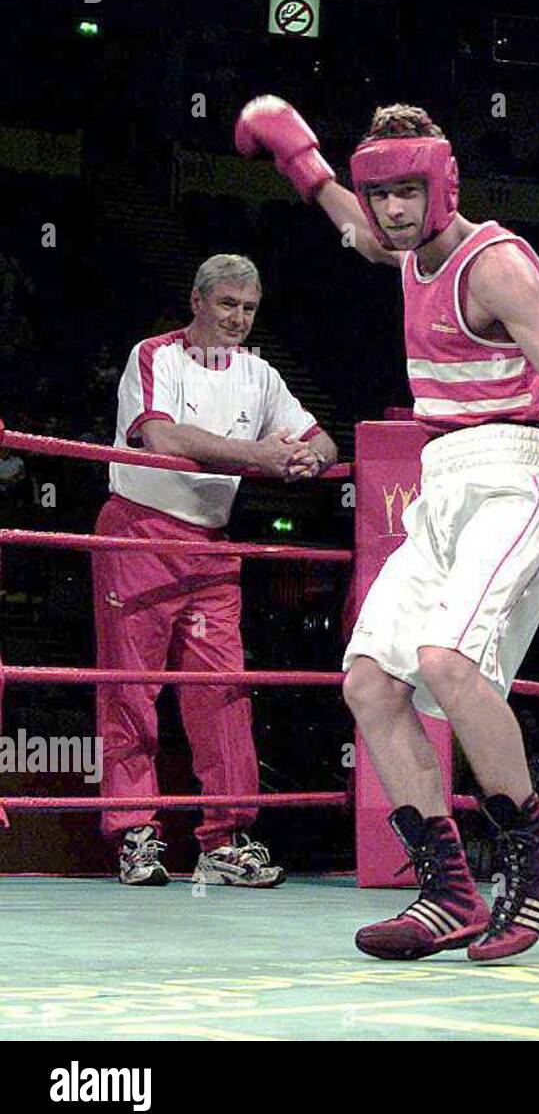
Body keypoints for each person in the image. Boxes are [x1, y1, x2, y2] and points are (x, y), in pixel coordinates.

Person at [235, 97, 539, 960]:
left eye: (410, 193)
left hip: (518, 475)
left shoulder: (497, 269)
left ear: (443, 184)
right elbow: (349, 215)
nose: (393, 211)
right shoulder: (394, 244)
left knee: (447, 662)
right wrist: (295, 158)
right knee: (370, 685)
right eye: (384, 196)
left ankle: (534, 872)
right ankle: (446, 890)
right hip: (441, 481)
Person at [96, 254, 338, 888]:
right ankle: (137, 835)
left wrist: (307, 459)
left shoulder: (259, 374)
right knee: (130, 687)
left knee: (223, 692)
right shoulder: (155, 355)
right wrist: (259, 455)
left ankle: (224, 840)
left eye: (249, 308)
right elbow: (164, 439)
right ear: (198, 301)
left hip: (211, 546)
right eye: (228, 305)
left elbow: (322, 439)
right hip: (140, 533)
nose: (238, 319)